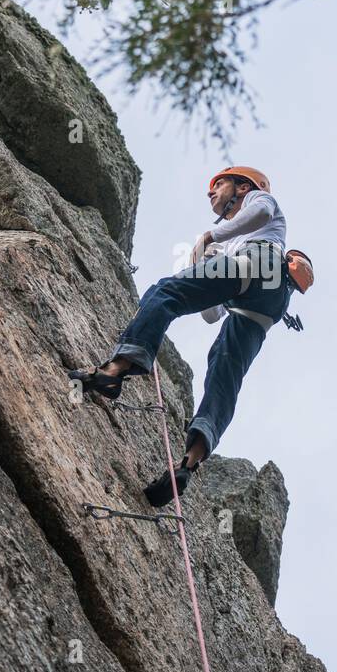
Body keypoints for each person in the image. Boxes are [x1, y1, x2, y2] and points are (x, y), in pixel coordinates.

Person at [70, 167, 292, 506]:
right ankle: (191, 460)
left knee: (164, 292)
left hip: (260, 263)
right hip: (264, 301)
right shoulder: (234, 241)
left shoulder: (260, 201)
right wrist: (203, 258)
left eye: (219, 184)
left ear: (243, 187)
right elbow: (211, 314)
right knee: (224, 370)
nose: (211, 193)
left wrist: (210, 237)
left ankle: (115, 370)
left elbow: (259, 212)